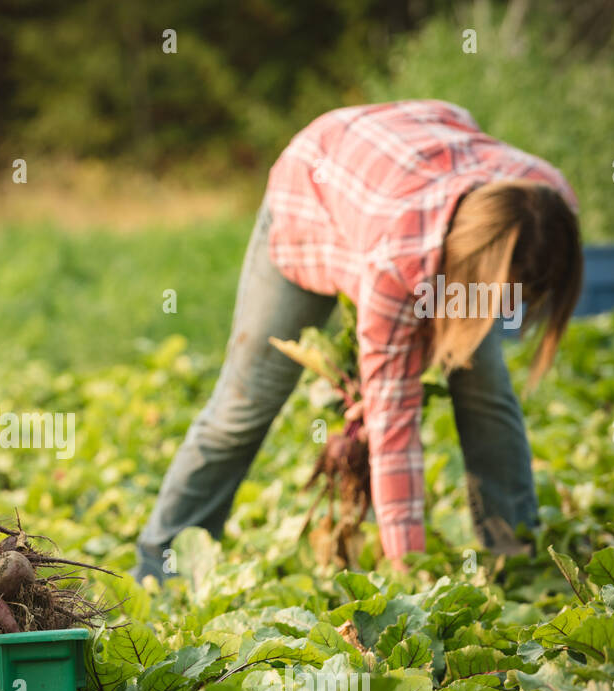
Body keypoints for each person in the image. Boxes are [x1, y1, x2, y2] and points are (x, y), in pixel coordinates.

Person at [132, 100, 582, 582]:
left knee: (485, 388)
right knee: (243, 405)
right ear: (466, 268)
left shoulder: (546, 207)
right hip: (314, 189)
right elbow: (393, 429)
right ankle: (161, 570)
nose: (497, 312)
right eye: (487, 298)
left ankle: (519, 558)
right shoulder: (396, 262)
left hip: (407, 174)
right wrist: (407, 575)